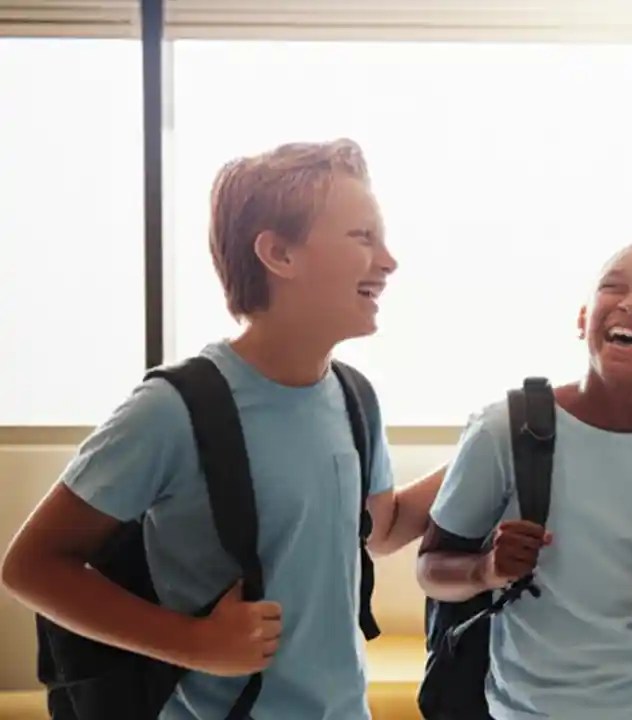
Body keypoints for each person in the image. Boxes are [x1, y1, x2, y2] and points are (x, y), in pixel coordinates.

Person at [1, 138, 442, 719]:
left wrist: (494, 439)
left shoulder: (356, 396)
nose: (388, 261)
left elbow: (377, 531)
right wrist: (195, 645)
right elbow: (31, 566)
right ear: (279, 255)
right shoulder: (172, 410)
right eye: (363, 236)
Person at [417, 241, 632, 720]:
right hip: (530, 711)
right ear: (584, 319)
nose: (631, 303)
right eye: (612, 287)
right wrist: (487, 570)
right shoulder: (504, 432)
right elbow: (431, 569)